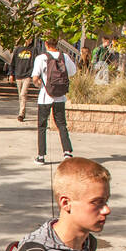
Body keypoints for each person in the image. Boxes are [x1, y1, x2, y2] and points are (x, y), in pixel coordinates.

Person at [31, 36, 77, 164]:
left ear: (46, 43)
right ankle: (67, 152)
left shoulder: (41, 58)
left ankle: (41, 155)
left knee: (42, 125)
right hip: (60, 96)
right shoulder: (65, 57)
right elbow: (73, 72)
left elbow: (35, 77)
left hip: (45, 96)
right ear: (57, 43)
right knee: (61, 124)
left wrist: (39, 83)